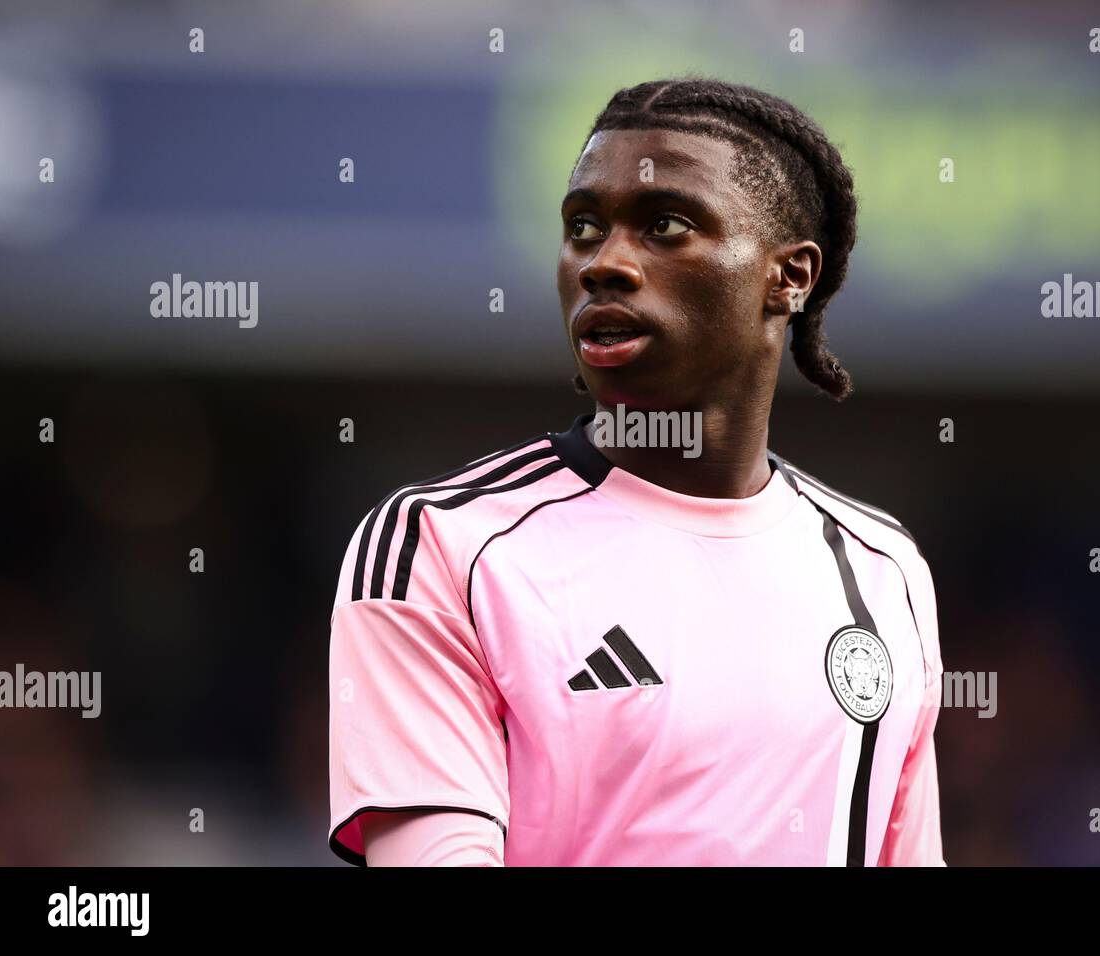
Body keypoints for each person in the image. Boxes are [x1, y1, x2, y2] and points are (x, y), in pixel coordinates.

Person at [328, 77, 944, 866]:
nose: (604, 264)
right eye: (584, 228)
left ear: (789, 277)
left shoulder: (883, 569)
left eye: (664, 226)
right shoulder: (444, 546)